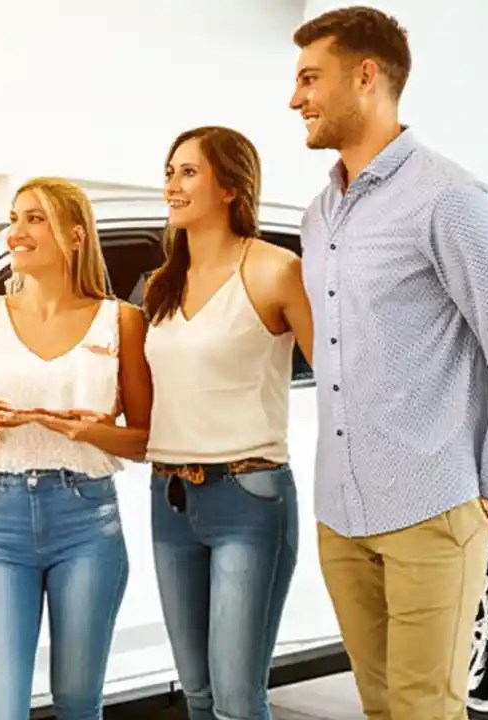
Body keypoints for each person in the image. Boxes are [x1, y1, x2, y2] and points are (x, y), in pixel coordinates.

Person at [289, 8, 488, 719]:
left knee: (425, 711)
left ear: (365, 76)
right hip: (341, 512)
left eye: (310, 78)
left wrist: (486, 493)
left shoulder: (450, 201)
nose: (295, 98)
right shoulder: (319, 214)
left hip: (433, 509)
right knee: (379, 706)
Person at [0, 177, 152, 720]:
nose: (17, 231)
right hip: (0, 522)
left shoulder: (121, 321)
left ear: (76, 236)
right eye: (14, 218)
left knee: (79, 705)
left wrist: (86, 430)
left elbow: (144, 440)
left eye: (35, 218)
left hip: (87, 522)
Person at [141, 126, 314, 720]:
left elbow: (342, 375)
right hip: (169, 498)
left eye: (188, 172)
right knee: (198, 695)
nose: (172, 184)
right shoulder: (161, 286)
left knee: (237, 701)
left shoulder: (275, 271)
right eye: (169, 172)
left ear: (231, 189)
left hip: (249, 495)